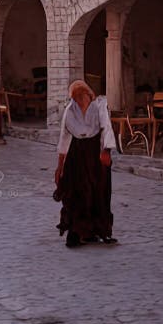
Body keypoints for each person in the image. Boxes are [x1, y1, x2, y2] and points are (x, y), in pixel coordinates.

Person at [54, 80, 117, 248]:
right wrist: (60, 166)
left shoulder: (99, 107)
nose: (80, 100)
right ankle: (76, 232)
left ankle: (97, 230)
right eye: (76, 97)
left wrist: (106, 151)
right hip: (77, 153)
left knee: (98, 191)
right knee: (77, 192)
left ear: (89, 95)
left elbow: (106, 128)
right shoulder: (70, 111)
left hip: (96, 152)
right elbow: (64, 138)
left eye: (82, 96)